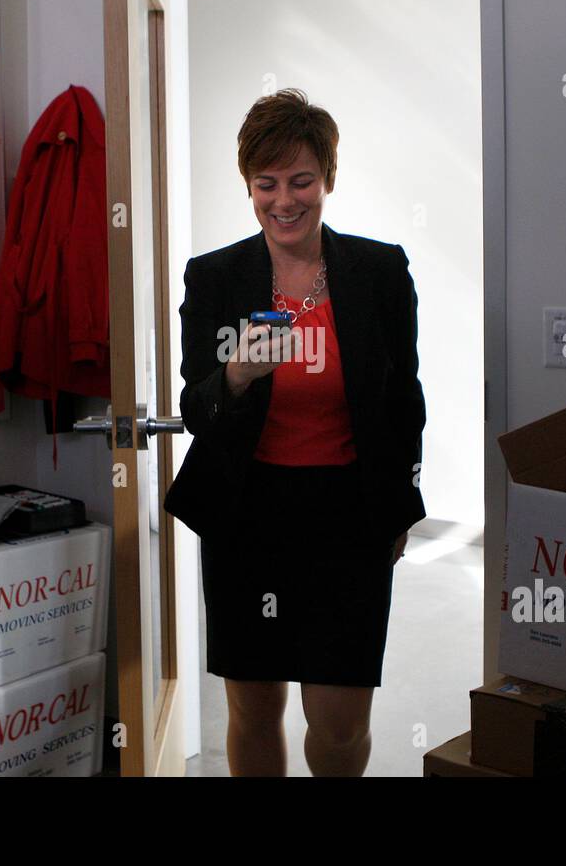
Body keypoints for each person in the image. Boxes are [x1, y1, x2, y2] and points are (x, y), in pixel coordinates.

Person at [163, 88, 426, 777]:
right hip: (248, 517)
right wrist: (238, 374)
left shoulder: (378, 273)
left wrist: (402, 504)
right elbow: (197, 409)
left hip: (350, 516)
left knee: (340, 723)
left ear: (328, 180)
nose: (285, 199)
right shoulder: (216, 278)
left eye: (302, 180)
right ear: (249, 187)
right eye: (267, 183)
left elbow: (404, 399)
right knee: (253, 709)